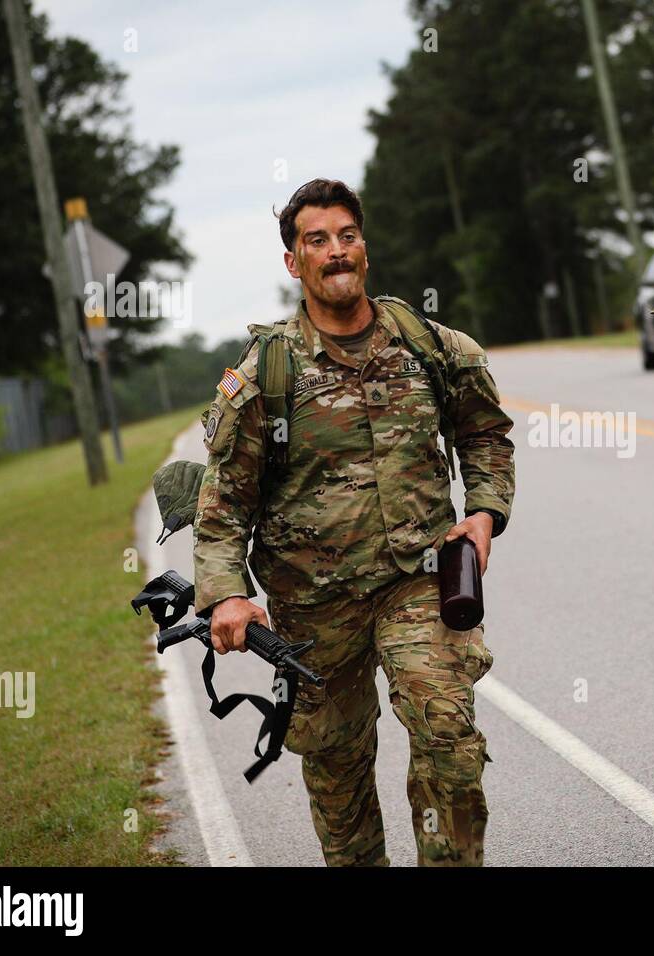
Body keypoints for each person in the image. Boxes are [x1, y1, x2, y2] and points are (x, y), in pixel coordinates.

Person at [193, 178, 515, 866]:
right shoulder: (266, 375)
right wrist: (224, 593)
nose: (337, 252)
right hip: (313, 606)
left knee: (448, 741)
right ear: (293, 262)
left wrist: (485, 514)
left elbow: (484, 433)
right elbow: (222, 503)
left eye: (348, 235)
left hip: (420, 582)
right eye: (317, 240)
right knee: (338, 777)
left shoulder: (429, 345)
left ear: (364, 245)